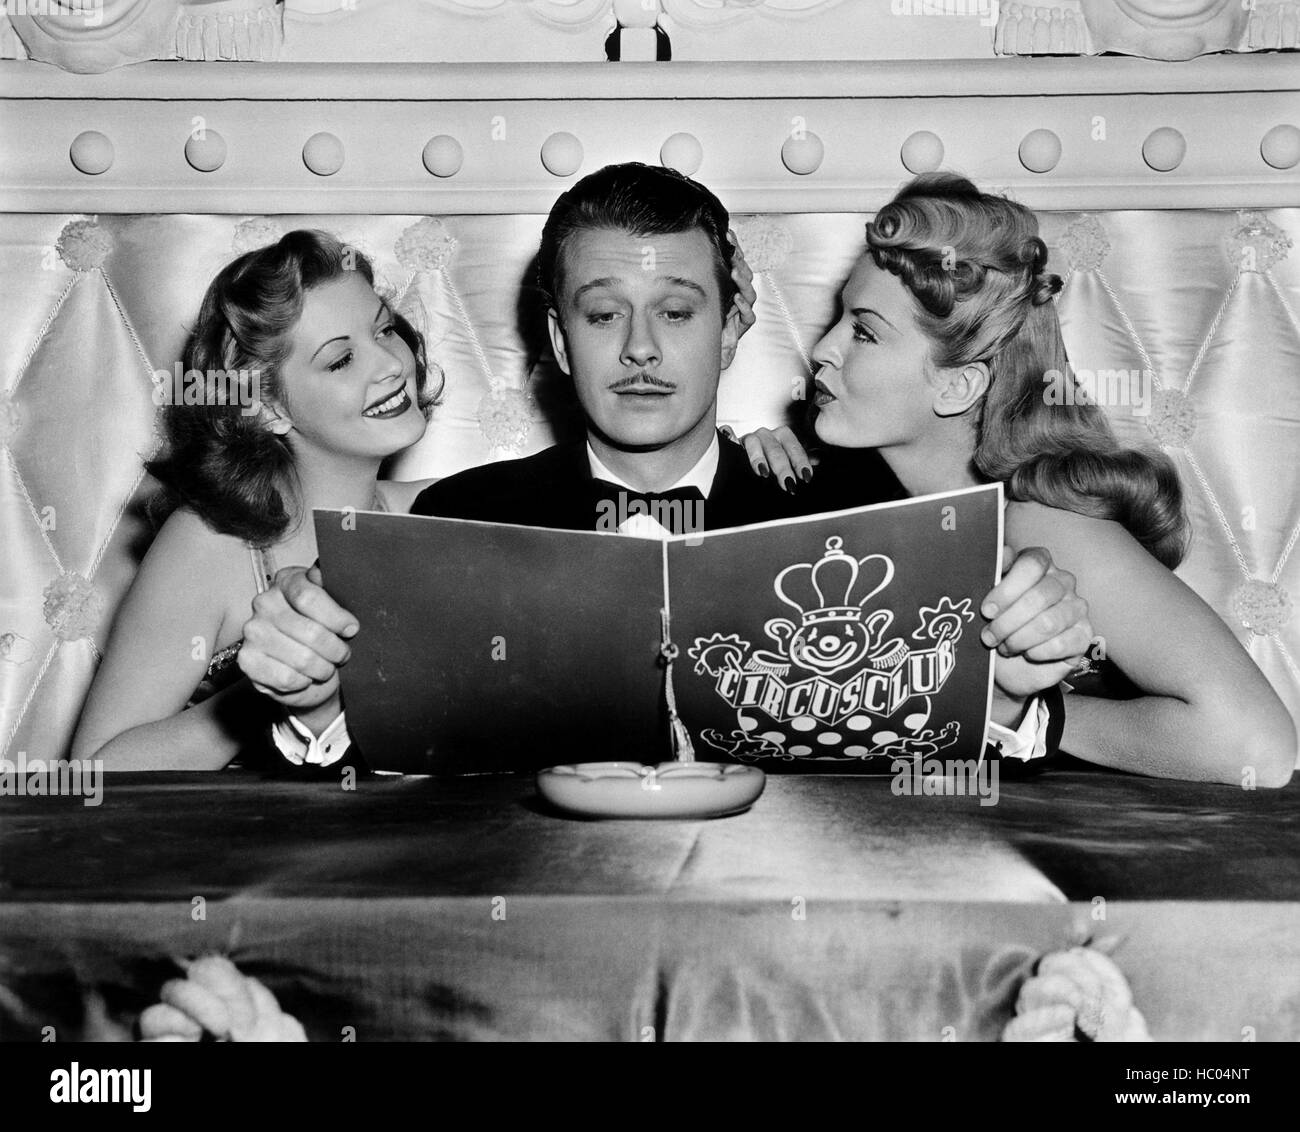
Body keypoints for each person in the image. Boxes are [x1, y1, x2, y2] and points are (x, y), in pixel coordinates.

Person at [239, 163, 1092, 768]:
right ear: (558, 343)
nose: (641, 350)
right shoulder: (456, 521)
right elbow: (384, 779)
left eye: (678, 313)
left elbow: (944, 781)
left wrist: (1006, 693)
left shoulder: (869, 516)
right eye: (604, 315)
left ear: (729, 328)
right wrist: (312, 694)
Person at [737, 172, 1295, 786]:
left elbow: (1256, 746)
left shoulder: (1040, 525)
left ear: (959, 385)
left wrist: (1021, 714)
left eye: (864, 331)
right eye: (842, 317)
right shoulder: (878, 501)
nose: (824, 348)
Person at [71, 230, 443, 771]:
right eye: (340, 360)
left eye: (384, 329)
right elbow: (92, 774)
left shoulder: (441, 510)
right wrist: (270, 694)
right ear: (267, 405)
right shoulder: (210, 543)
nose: (389, 364)